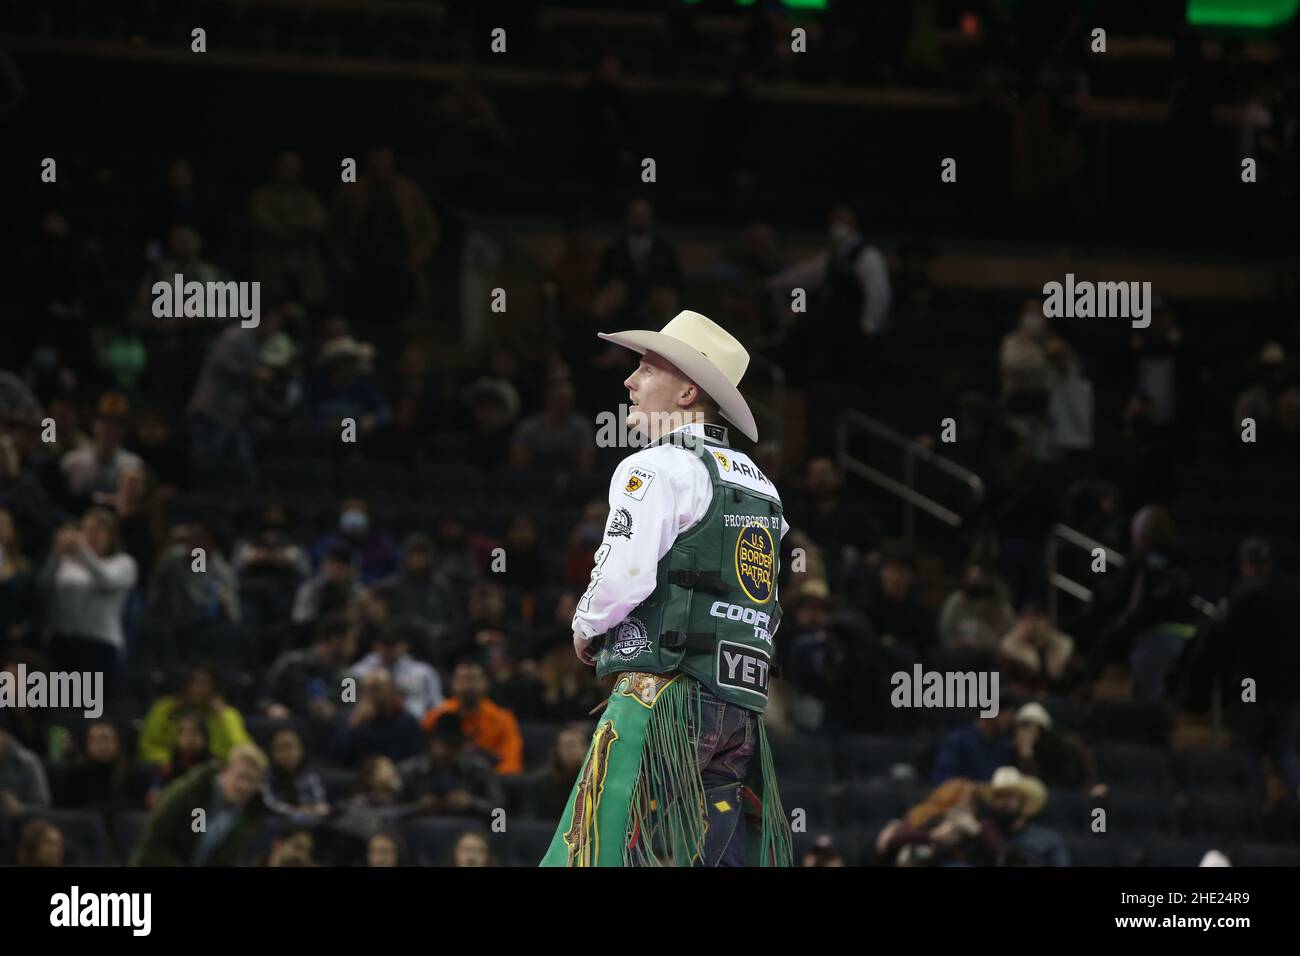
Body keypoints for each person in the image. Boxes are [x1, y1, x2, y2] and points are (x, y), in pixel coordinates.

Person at [543, 310, 792, 867]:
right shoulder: (763, 487)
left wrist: (585, 626)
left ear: (686, 391)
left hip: (666, 694)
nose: (630, 382)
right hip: (739, 707)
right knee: (707, 854)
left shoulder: (655, 467)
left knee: (608, 848)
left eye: (645, 368)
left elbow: (623, 576)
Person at [38, 506, 138, 695]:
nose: (91, 535)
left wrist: (82, 551)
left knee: (90, 706)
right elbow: (44, 589)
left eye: (97, 530)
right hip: (60, 641)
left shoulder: (123, 563)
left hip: (98, 645)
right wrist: (55, 555)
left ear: (111, 535)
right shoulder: (67, 561)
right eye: (86, 529)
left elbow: (106, 580)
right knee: (59, 703)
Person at [130, 743, 270, 866]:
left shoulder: (248, 816)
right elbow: (151, 847)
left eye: (251, 781)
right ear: (226, 771)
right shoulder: (188, 792)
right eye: (241, 776)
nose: (244, 786)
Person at [421, 657, 524, 776]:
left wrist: (488, 780)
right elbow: (421, 757)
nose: (468, 685)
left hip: (488, 781)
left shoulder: (503, 719)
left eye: (474, 679)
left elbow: (511, 762)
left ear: (486, 683)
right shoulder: (437, 716)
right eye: (463, 679)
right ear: (453, 684)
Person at [137, 666, 252, 765]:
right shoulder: (165, 709)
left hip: (213, 771)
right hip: (170, 768)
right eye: (192, 683)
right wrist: (171, 762)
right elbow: (147, 746)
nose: (197, 689)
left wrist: (223, 718)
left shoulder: (227, 714)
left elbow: (243, 749)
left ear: (214, 688)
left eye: (203, 684)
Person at [398, 712, 503, 820]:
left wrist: (471, 803)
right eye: (445, 744)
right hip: (418, 829)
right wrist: (417, 806)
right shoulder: (409, 771)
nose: (449, 751)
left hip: (467, 828)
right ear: (432, 742)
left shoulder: (479, 769)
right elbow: (390, 811)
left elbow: (500, 811)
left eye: (455, 745)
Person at [350, 622, 444, 720]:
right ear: (376, 646)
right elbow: (346, 701)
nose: (388, 650)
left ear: (404, 646)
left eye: (393, 645)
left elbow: (437, 705)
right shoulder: (355, 673)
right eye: (384, 645)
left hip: (414, 726)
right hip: (369, 725)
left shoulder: (424, 673)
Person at [261, 727, 330, 825]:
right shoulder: (268, 777)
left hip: (312, 821)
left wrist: (316, 809)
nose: (287, 754)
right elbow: (270, 804)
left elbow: (320, 801)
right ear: (273, 754)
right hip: (282, 823)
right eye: (281, 749)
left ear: (300, 750)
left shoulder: (310, 774)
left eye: (290, 748)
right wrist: (297, 811)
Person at [523, 723, 589, 820]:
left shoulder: (597, 782)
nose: (572, 750)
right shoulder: (540, 783)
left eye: (576, 744)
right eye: (567, 745)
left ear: (587, 748)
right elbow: (531, 822)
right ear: (556, 750)